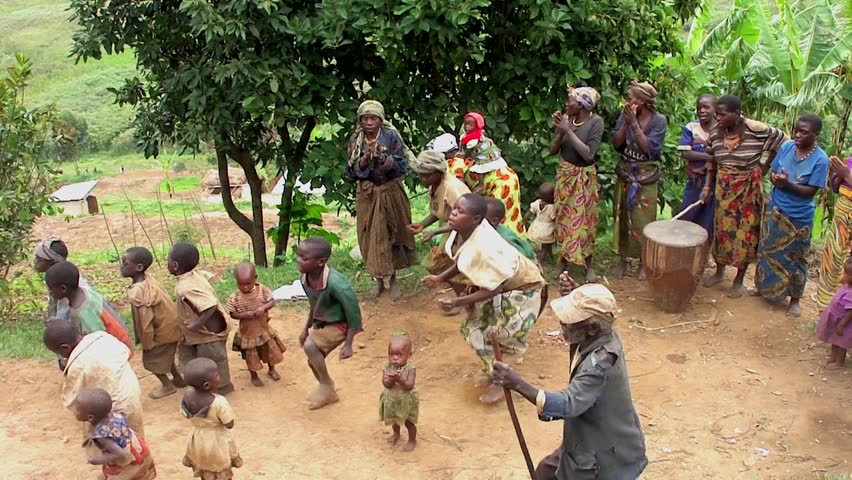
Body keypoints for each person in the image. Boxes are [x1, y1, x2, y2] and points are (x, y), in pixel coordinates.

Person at [491, 280, 647, 480]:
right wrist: (574, 298)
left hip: (604, 452)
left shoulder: (600, 363)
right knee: (545, 473)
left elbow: (567, 404)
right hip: (585, 437)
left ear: (591, 329)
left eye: (568, 321)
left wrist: (517, 383)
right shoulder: (601, 334)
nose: (561, 324)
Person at [423, 193, 547, 404]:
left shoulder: (487, 246)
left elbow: (493, 289)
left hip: (522, 289)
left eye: (461, 211)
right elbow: (464, 259)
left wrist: (458, 302)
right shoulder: (464, 233)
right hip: (501, 286)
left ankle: (502, 382)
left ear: (476, 219)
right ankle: (494, 371)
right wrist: (440, 278)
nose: (453, 213)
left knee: (500, 335)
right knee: (475, 329)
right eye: (455, 208)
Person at [701, 95, 788, 298]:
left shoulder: (757, 130)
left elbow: (784, 143)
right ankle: (720, 271)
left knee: (747, 233)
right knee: (722, 230)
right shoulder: (715, 133)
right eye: (717, 114)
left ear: (737, 113)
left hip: (749, 188)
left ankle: (739, 280)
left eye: (722, 115)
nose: (718, 118)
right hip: (724, 188)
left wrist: (766, 165)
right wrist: (706, 187)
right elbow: (711, 162)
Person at [755, 114, 829, 316]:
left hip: (798, 216)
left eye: (804, 132)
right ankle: (765, 289)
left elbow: (811, 192)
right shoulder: (788, 147)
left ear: (816, 134)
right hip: (776, 208)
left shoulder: (821, 160)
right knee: (768, 251)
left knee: (796, 259)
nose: (798, 135)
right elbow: (773, 170)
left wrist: (786, 184)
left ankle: (794, 300)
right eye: (797, 130)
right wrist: (776, 179)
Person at [345, 99, 417, 301]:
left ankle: (393, 279)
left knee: (392, 233)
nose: (369, 122)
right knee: (370, 237)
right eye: (365, 118)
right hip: (367, 195)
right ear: (360, 121)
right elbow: (350, 171)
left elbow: (402, 165)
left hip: (390, 192)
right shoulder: (355, 140)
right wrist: (365, 161)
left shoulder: (391, 137)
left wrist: (386, 161)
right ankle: (378, 280)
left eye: (373, 118)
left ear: (380, 120)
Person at [43, 320, 144, 435]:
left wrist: (68, 371)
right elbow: (125, 352)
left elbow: (72, 402)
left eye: (58, 353)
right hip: (132, 396)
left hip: (113, 412)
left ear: (64, 348)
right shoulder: (102, 337)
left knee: (107, 446)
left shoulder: (78, 366)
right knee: (136, 440)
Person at [297, 237, 363, 410]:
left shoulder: (336, 284)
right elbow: (314, 304)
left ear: (321, 262)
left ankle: (326, 386)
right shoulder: (305, 278)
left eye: (304, 258)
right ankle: (326, 390)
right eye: (298, 256)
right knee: (313, 360)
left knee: (311, 347)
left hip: (342, 324)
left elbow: (353, 312)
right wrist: (306, 328)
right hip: (324, 322)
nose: (298, 260)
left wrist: (349, 343)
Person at [611, 82, 668, 279]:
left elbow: (649, 149)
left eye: (631, 98)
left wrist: (634, 125)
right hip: (626, 173)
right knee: (622, 218)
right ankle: (623, 260)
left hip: (646, 177)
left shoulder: (658, 121)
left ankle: (644, 262)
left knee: (644, 221)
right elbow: (616, 143)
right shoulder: (625, 116)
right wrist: (627, 122)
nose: (628, 102)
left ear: (642, 101)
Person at [550, 87, 605, 282]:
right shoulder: (568, 120)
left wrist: (567, 130)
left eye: (570, 101)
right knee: (563, 219)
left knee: (586, 221)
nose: (567, 104)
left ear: (580, 105)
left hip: (584, 178)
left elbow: (588, 154)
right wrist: (559, 132)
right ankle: (562, 261)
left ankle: (587, 265)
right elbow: (552, 151)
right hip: (566, 176)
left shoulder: (595, 122)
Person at [408, 149, 471, 313]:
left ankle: (463, 300)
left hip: (463, 230)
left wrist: (435, 233)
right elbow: (441, 211)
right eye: (421, 175)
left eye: (426, 175)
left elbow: (466, 219)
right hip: (450, 228)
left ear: (438, 172)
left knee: (445, 264)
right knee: (445, 265)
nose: (423, 179)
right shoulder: (436, 184)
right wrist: (423, 224)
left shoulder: (452, 188)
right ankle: (463, 297)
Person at [168, 243, 233, 395]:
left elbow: (210, 305)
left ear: (175, 265)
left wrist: (197, 323)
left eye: (168, 260)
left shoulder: (187, 287)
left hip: (208, 335)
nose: (167, 263)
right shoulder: (192, 276)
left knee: (214, 361)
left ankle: (222, 387)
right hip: (196, 334)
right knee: (191, 356)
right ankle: (196, 382)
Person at [120, 247, 184, 399]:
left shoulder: (138, 292)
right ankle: (178, 379)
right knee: (166, 355)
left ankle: (167, 385)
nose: (121, 266)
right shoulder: (149, 280)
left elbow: (145, 319)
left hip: (159, 331)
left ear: (139, 267)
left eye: (124, 263)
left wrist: (147, 341)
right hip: (171, 326)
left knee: (152, 360)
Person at [450, 112, 526, 236]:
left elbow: (461, 193)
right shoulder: (466, 141)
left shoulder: (456, 163)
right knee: (507, 213)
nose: (467, 127)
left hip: (495, 174)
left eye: (470, 124)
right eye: (466, 124)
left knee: (497, 218)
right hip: (506, 176)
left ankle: (506, 241)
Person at [45, 261, 133, 355]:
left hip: (117, 349)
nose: (50, 293)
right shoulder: (84, 293)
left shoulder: (84, 312)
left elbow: (99, 341)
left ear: (63, 289)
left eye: (51, 289)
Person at [225, 262, 286, 387]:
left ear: (255, 278)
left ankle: (271, 369)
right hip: (248, 333)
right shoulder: (235, 298)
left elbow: (272, 301)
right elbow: (232, 314)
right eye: (241, 284)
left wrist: (263, 308)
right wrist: (244, 315)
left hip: (263, 330)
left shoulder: (262, 290)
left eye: (248, 283)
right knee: (250, 355)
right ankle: (254, 375)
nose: (245, 287)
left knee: (269, 351)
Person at [181, 358, 243, 479]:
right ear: (206, 385)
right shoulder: (219, 402)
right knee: (221, 469)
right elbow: (229, 424)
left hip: (197, 438)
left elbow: (184, 413)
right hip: (216, 441)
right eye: (217, 375)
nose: (219, 376)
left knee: (204, 467)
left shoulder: (187, 395)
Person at [75, 388, 156, 480]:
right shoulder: (112, 414)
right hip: (138, 446)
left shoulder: (102, 437)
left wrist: (97, 460)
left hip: (129, 460)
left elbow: (119, 453)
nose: (74, 411)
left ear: (90, 417)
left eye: (77, 410)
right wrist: (92, 435)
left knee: (128, 475)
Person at [676, 94, 718, 241]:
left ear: (715, 109)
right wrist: (709, 157)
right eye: (699, 108)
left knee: (708, 222)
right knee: (688, 217)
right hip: (695, 182)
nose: (702, 111)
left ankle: (705, 256)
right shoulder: (691, 127)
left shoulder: (721, 130)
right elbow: (685, 152)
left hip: (715, 184)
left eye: (706, 107)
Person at [817, 153, 852, 309]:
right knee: (833, 263)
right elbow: (836, 189)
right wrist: (838, 174)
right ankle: (828, 310)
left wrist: (847, 175)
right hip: (840, 221)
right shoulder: (850, 161)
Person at [33, 237, 91, 321]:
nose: (35, 262)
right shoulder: (60, 278)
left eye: (39, 259)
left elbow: (63, 318)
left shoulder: (66, 284)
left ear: (52, 263)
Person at [379, 334, 418, 452]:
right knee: (394, 420)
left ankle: (412, 440)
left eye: (399, 355)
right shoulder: (387, 367)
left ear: (409, 355)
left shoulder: (411, 369)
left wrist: (400, 379)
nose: (395, 358)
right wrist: (391, 379)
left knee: (408, 422)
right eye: (391, 354)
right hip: (391, 400)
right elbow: (386, 384)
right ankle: (396, 434)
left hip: (406, 401)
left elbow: (409, 386)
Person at [816, 257, 852, 369]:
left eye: (847, 274)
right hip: (836, 318)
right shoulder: (847, 285)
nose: (844, 275)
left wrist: (842, 324)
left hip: (844, 323)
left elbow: (851, 311)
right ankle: (833, 357)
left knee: (841, 343)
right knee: (834, 339)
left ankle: (840, 362)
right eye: (844, 272)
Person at [525, 182, 557, 263]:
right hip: (547, 229)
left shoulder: (537, 202)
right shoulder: (552, 208)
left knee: (548, 244)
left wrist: (523, 221)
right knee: (544, 248)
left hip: (537, 227)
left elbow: (529, 212)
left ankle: (550, 256)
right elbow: (554, 219)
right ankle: (539, 261)